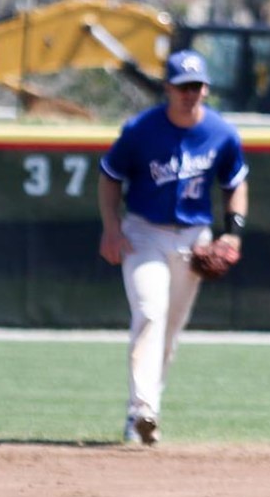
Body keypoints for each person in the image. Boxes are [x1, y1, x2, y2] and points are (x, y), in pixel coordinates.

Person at [96, 48, 248, 446]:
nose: (190, 93)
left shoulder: (221, 133)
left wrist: (232, 233)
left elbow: (236, 184)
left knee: (169, 333)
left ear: (206, 88)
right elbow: (110, 177)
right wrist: (111, 228)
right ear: (167, 87)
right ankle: (142, 410)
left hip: (192, 238)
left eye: (196, 86)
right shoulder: (140, 130)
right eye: (182, 86)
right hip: (143, 232)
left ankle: (145, 412)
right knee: (149, 312)